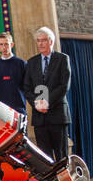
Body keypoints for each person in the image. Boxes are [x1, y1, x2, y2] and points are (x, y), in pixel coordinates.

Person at [22, 26, 72, 161]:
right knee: (45, 157)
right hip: (40, 118)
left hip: (57, 114)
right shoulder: (32, 62)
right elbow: (27, 88)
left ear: (51, 41)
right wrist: (37, 103)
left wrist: (47, 102)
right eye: (38, 41)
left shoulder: (62, 59)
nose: (40, 44)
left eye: (43, 40)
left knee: (61, 155)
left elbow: (64, 86)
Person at [0, 31, 27, 114]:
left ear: (11, 45)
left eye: (6, 44)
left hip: (19, 109)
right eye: (1, 44)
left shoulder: (21, 64)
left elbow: (27, 86)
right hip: (1, 111)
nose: (4, 47)